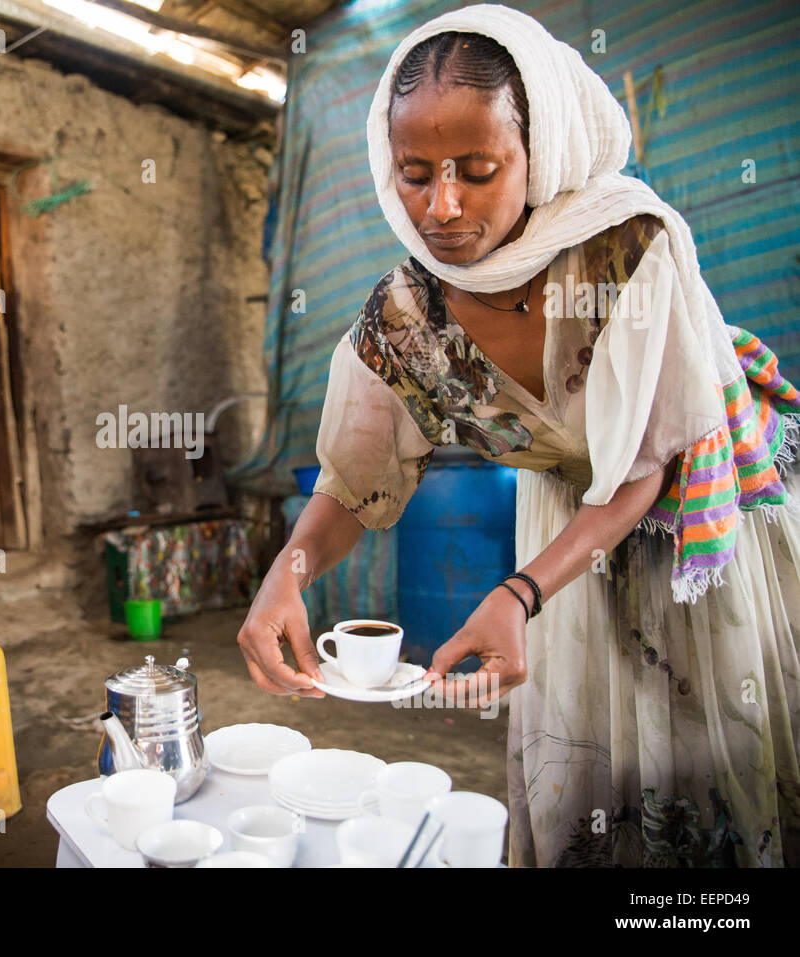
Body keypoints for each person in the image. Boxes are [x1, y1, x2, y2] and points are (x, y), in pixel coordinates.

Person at [236, 4, 800, 867]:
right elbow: (354, 477)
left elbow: (647, 467)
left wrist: (520, 595)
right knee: (592, 780)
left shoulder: (625, 249)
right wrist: (290, 569)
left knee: (709, 773)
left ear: (538, 156)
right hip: (564, 537)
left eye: (478, 169)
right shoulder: (406, 315)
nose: (443, 205)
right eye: (415, 173)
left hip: (698, 529)